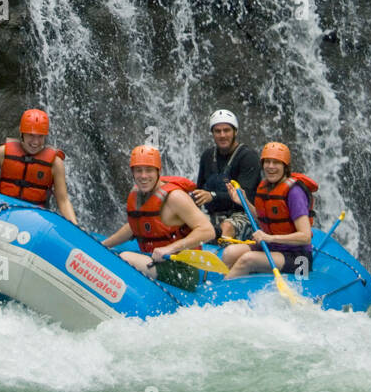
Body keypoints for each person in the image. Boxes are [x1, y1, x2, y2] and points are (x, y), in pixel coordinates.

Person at [102, 145, 213, 283]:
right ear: (132, 172)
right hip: (155, 260)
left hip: (183, 270)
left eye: (149, 170)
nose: (143, 176)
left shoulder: (175, 197)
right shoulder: (138, 193)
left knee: (125, 258)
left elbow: (208, 231)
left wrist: (170, 248)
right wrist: (103, 245)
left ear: (159, 171)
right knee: (113, 256)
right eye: (138, 171)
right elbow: (135, 226)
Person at [0, 107, 78, 224]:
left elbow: (63, 200)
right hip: (2, 208)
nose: (35, 142)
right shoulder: (2, 152)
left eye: (40, 136)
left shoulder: (55, 163)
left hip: (34, 216)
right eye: (31, 135)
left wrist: (75, 225)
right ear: (22, 134)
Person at [221, 142, 316, 279]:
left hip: (297, 257)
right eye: (267, 162)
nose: (271, 167)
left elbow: (305, 237)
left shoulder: (294, 192)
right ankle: (235, 285)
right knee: (229, 253)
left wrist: (269, 238)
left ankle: (223, 293)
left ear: (285, 166)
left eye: (276, 162)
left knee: (248, 259)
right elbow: (263, 220)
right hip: (272, 248)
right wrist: (244, 202)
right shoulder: (265, 186)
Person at [192, 109, 260, 242]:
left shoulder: (248, 157)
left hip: (243, 214)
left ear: (235, 131)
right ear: (212, 133)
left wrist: (212, 196)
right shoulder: (207, 155)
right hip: (212, 214)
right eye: (217, 131)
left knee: (226, 227)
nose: (222, 135)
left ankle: (221, 257)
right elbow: (199, 189)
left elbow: (245, 195)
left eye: (227, 130)